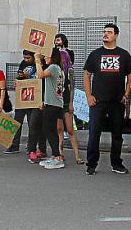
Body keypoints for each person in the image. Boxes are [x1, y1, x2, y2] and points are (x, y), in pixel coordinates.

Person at [83, 23, 131, 176]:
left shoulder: (124, 55)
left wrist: (127, 94)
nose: (105, 34)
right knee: (94, 133)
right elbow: (86, 74)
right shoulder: (95, 54)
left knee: (117, 135)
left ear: (116, 35)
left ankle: (116, 163)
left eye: (109, 32)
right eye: (104, 32)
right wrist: (88, 95)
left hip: (117, 102)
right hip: (97, 101)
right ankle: (91, 164)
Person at [8, 50, 46, 160]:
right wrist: (19, 79)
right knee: (17, 121)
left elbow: (41, 78)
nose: (26, 60)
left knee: (32, 123)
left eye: (28, 58)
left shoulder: (39, 64)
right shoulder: (23, 64)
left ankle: (31, 147)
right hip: (23, 96)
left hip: (35, 97)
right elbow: (19, 77)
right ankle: (15, 145)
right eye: (25, 58)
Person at [36, 49, 67, 169]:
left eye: (46, 56)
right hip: (55, 103)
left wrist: (37, 60)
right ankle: (55, 156)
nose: (45, 58)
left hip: (53, 105)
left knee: (49, 131)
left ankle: (57, 157)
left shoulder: (54, 67)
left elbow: (40, 75)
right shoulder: (58, 69)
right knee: (51, 130)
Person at [54, 34, 83, 164]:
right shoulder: (54, 70)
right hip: (56, 101)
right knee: (59, 129)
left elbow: (72, 86)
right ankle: (60, 153)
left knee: (70, 129)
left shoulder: (70, 71)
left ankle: (77, 155)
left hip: (66, 101)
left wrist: (71, 103)